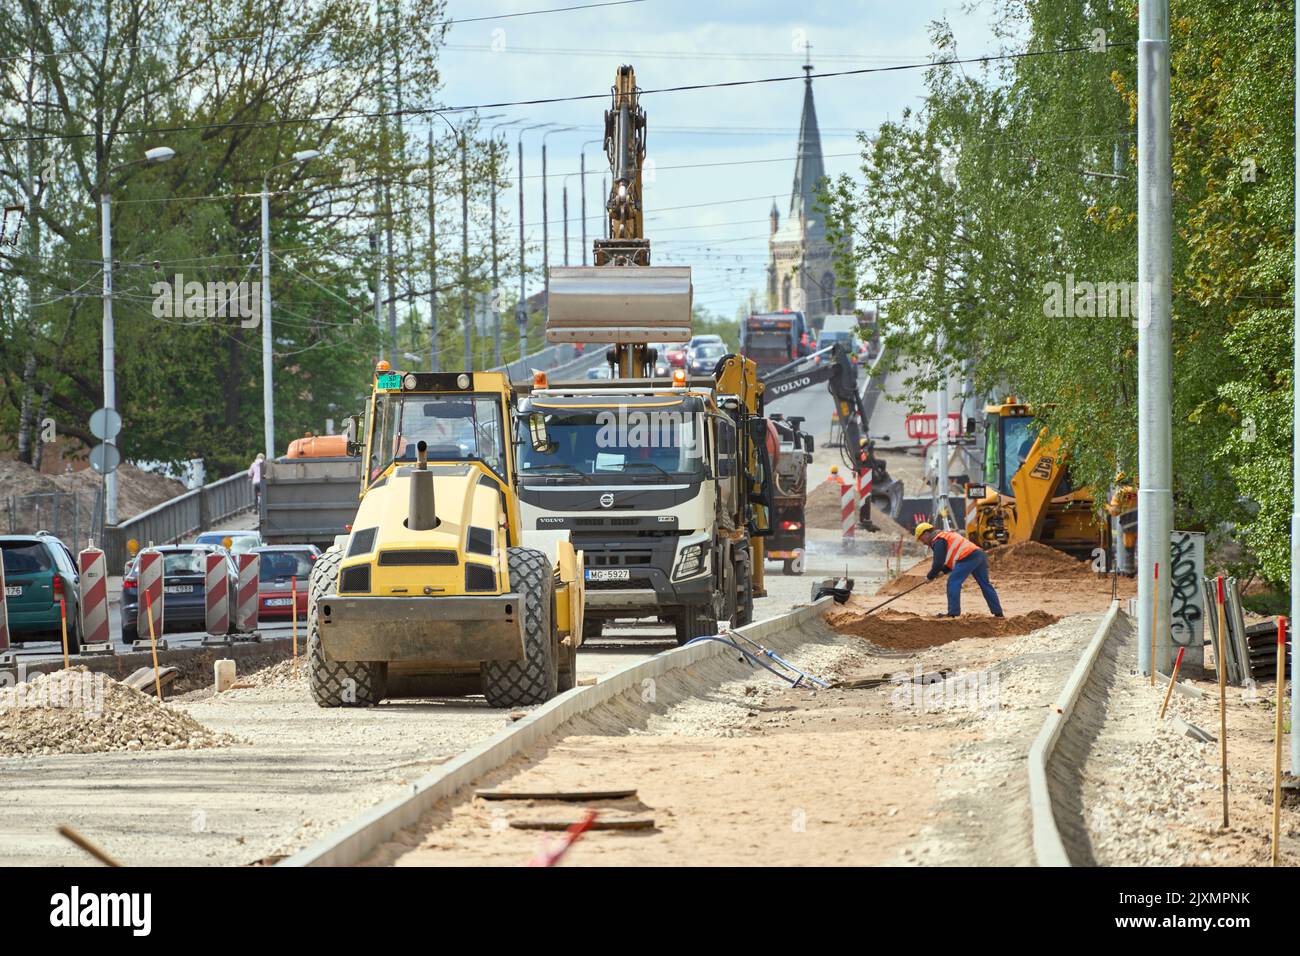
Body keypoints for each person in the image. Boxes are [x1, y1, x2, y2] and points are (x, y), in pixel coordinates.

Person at [914, 522, 1004, 618]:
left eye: (921, 538)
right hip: (978, 554)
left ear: (926, 533)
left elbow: (938, 563)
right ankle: (998, 612)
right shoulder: (945, 537)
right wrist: (943, 572)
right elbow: (952, 559)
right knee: (985, 584)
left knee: (953, 582)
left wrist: (930, 576)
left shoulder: (938, 540)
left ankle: (953, 613)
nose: (922, 542)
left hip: (968, 557)